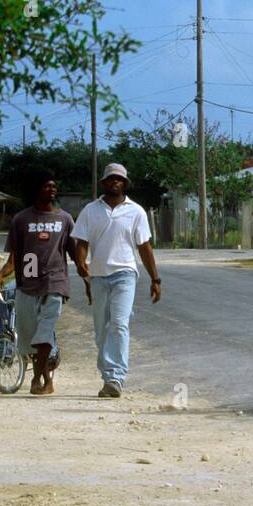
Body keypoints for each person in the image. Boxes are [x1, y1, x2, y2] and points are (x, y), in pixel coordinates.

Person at [72, 163, 161, 398]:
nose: (115, 182)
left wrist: (155, 278)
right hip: (99, 276)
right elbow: (81, 242)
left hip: (125, 274)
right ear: (103, 183)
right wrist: (81, 264)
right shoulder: (90, 210)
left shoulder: (136, 211)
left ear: (125, 183)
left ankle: (115, 377)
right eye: (110, 179)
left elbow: (144, 246)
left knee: (119, 324)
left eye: (119, 179)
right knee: (101, 330)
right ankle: (107, 374)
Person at [0, 173, 83, 395]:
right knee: (31, 335)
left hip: (55, 283)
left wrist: (87, 277)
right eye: (46, 186)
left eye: (54, 186)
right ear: (36, 190)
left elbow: (75, 253)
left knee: (45, 331)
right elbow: (14, 258)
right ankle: (46, 379)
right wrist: (0, 275)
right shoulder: (21, 220)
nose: (52, 189)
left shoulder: (65, 219)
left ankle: (36, 379)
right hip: (27, 284)